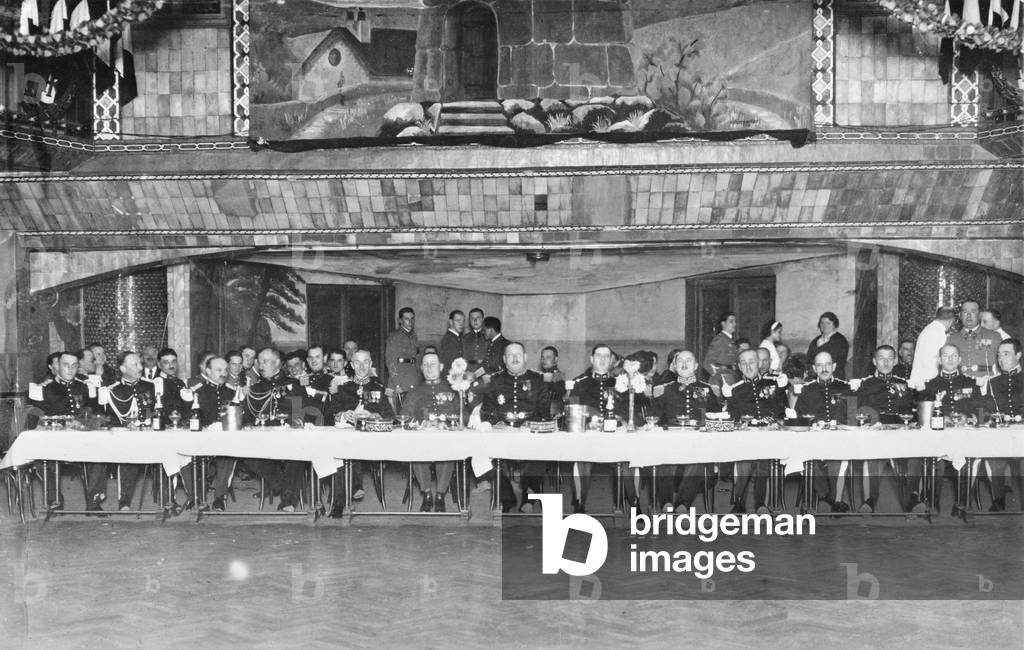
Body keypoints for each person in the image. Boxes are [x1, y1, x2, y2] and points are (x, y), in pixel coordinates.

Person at [473, 342, 552, 512]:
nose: (515, 358)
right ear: (504, 359)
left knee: (542, 447)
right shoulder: (495, 380)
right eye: (510, 355)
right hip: (502, 431)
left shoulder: (538, 379)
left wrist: (530, 424)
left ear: (525, 357)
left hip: (530, 431)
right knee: (479, 450)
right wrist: (488, 422)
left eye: (518, 355)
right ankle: (505, 493)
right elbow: (487, 410)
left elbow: (544, 410)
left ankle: (529, 495)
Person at [913, 343, 982, 513]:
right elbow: (923, 415)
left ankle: (963, 502)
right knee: (936, 459)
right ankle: (933, 502)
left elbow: (979, 410)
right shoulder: (929, 386)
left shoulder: (972, 383)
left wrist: (970, 417)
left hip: (965, 434)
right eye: (945, 355)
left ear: (959, 359)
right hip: (940, 435)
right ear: (939, 360)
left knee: (970, 458)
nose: (949, 359)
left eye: (953, 356)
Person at [30, 351, 102, 510]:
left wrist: (84, 421)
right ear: (57, 367)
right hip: (56, 439)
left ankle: (94, 502)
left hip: (82, 437)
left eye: (74, 365)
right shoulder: (45, 389)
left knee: (100, 454)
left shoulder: (84, 387)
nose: (70, 369)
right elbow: (43, 415)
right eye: (65, 365)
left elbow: (92, 411)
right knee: (42, 459)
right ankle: (55, 500)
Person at [651, 350, 720, 511]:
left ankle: (682, 504)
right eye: (679, 360)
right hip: (671, 442)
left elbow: (716, 417)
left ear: (696, 366)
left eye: (688, 360)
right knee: (663, 457)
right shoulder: (664, 389)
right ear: (674, 366)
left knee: (698, 458)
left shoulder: (708, 390)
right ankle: (666, 503)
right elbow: (655, 418)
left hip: (698, 443)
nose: (683, 363)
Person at [849, 345, 915, 513]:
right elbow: (860, 411)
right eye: (881, 358)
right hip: (875, 431)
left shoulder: (903, 384)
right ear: (874, 361)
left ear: (894, 361)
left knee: (910, 458)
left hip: (899, 431)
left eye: (889, 358)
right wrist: (874, 423)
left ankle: (911, 501)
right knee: (872, 459)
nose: (885, 362)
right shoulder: (865, 384)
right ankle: (869, 501)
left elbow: (909, 411)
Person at [241, 347, 306, 511]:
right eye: (259, 361)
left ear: (277, 362)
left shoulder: (294, 384)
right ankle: (282, 485)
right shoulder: (256, 388)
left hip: (288, 436)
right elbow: (247, 415)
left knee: (296, 455)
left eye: (265, 361)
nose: (261, 365)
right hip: (264, 437)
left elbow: (300, 414)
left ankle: (288, 501)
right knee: (246, 453)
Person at [724, 349, 786, 514]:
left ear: (759, 363)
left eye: (751, 362)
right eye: (743, 363)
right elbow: (733, 418)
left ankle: (760, 504)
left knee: (762, 461)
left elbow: (782, 412)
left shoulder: (773, 384)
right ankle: (739, 502)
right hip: (745, 437)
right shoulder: (735, 390)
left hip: (770, 436)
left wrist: (775, 422)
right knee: (743, 460)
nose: (748, 366)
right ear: (739, 367)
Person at [330, 349, 394, 512]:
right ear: (351, 365)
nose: (362, 366)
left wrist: (373, 415)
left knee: (346, 449)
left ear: (371, 364)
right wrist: (345, 415)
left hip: (372, 439)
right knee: (339, 448)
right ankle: (339, 503)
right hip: (348, 439)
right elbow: (333, 414)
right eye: (357, 362)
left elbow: (390, 416)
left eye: (366, 362)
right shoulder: (344, 388)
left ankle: (346, 495)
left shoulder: (378, 388)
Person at [794, 351, 853, 512]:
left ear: (834, 366)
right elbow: (799, 418)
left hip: (840, 439)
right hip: (813, 440)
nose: (824, 368)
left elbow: (853, 418)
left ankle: (837, 499)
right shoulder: (807, 390)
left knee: (841, 457)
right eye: (819, 365)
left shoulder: (846, 387)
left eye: (827, 364)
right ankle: (828, 496)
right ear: (814, 368)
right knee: (806, 460)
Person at [401, 352, 460, 513]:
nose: (429, 368)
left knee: (449, 451)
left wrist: (449, 423)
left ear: (441, 367)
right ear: (421, 368)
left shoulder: (453, 389)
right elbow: (405, 414)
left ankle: (440, 494)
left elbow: (464, 414)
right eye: (425, 365)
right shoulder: (415, 391)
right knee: (417, 451)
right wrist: (421, 423)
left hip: (446, 434)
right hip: (422, 435)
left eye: (433, 364)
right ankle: (427, 493)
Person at [567, 344, 622, 513]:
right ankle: (579, 503)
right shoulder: (579, 383)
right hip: (588, 435)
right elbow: (573, 411)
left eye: (607, 356)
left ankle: (633, 504)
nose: (603, 359)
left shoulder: (620, 383)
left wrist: (618, 421)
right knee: (581, 457)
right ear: (591, 359)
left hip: (615, 436)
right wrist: (588, 421)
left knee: (629, 458)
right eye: (599, 356)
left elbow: (625, 411)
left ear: (612, 361)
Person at [103, 351, 157, 511]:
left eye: (140, 363)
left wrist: (148, 421)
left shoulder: (150, 386)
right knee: (127, 456)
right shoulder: (113, 390)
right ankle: (124, 501)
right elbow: (110, 418)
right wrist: (125, 426)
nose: (140, 367)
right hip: (127, 436)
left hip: (150, 434)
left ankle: (167, 499)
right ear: (123, 368)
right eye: (135, 364)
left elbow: (156, 410)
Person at [981, 339, 1024, 511]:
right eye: (999, 355)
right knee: (995, 459)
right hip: (1001, 432)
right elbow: (987, 408)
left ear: (1018, 356)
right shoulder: (993, 383)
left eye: (1006, 354)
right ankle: (998, 500)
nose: (1001, 359)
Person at [194, 356, 241, 513]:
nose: (223, 373)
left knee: (227, 455)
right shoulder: (198, 392)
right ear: (208, 371)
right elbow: (192, 417)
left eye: (225, 370)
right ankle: (196, 497)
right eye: (219, 370)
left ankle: (219, 498)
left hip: (225, 441)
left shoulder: (232, 392)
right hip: (203, 439)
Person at [946, 300, 1001, 380]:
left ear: (979, 315)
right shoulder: (951, 339)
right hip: (960, 384)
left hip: (986, 382)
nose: (969, 315)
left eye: (973, 311)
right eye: (965, 312)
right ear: (960, 315)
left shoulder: (994, 336)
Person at [909, 306, 957, 390]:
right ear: (951, 321)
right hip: (929, 380)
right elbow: (940, 360)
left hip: (920, 379)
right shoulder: (939, 333)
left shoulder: (929, 329)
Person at [385, 307, 421, 405]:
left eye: (412, 319)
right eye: (407, 319)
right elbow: (390, 361)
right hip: (400, 380)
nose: (410, 322)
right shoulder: (394, 336)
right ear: (400, 321)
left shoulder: (414, 336)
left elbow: (416, 359)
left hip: (413, 378)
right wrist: (397, 384)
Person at [805, 312, 849, 380]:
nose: (824, 326)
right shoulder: (816, 340)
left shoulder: (841, 341)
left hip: (833, 378)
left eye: (828, 323)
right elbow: (808, 359)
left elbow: (838, 364)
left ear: (835, 325)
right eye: (822, 323)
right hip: (815, 377)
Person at [702, 312, 738, 387]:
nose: (734, 324)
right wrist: (718, 376)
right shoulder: (719, 340)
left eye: (735, 321)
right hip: (721, 381)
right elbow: (707, 363)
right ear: (723, 323)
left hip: (730, 378)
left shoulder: (730, 340)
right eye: (731, 321)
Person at [538, 345, 566, 417]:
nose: (544, 360)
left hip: (552, 414)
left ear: (556, 359)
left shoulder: (558, 375)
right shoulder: (542, 375)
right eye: (542, 357)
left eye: (548, 357)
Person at [481, 316, 510, 381]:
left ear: (491, 330)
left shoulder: (506, 345)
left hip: (500, 382)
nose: (483, 332)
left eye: (484, 329)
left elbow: (506, 369)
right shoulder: (491, 343)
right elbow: (486, 365)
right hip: (489, 381)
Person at [463, 308, 488, 375]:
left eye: (478, 317)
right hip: (468, 373)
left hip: (486, 373)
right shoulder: (465, 338)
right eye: (472, 318)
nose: (475, 320)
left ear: (483, 319)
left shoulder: (489, 337)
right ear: (469, 321)